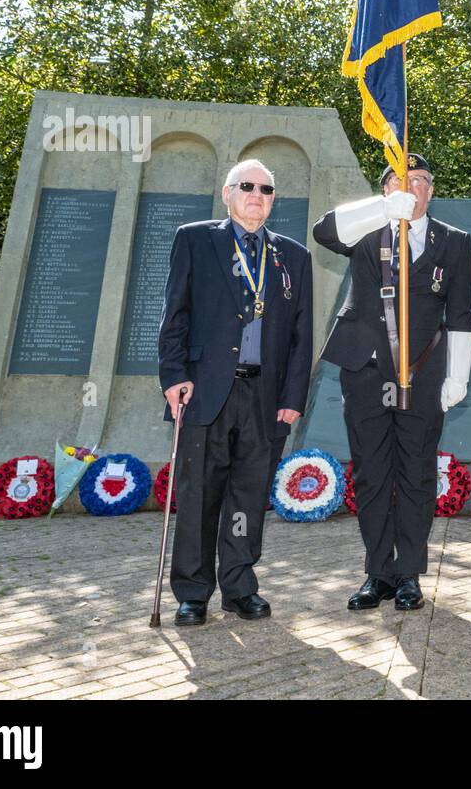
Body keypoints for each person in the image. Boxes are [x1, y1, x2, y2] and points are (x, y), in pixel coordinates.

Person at [313, 154, 471, 612]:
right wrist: (383, 208)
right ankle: (377, 572)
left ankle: (409, 575)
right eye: (402, 181)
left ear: (431, 192)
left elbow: (461, 313)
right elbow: (324, 231)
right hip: (365, 371)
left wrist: (457, 376)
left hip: (423, 374)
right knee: (371, 473)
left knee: (418, 474)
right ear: (386, 189)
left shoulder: (454, 241)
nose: (413, 187)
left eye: (421, 180)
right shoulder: (364, 231)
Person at [159, 159, 314, 627]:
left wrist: (292, 399)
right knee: (199, 494)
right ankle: (192, 592)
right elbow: (174, 315)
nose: (256, 195)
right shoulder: (195, 239)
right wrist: (172, 376)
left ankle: (240, 586)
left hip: (264, 396)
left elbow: (300, 338)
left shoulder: (293, 256)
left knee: (248, 496)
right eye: (246, 186)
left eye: (266, 189)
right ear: (227, 193)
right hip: (204, 391)